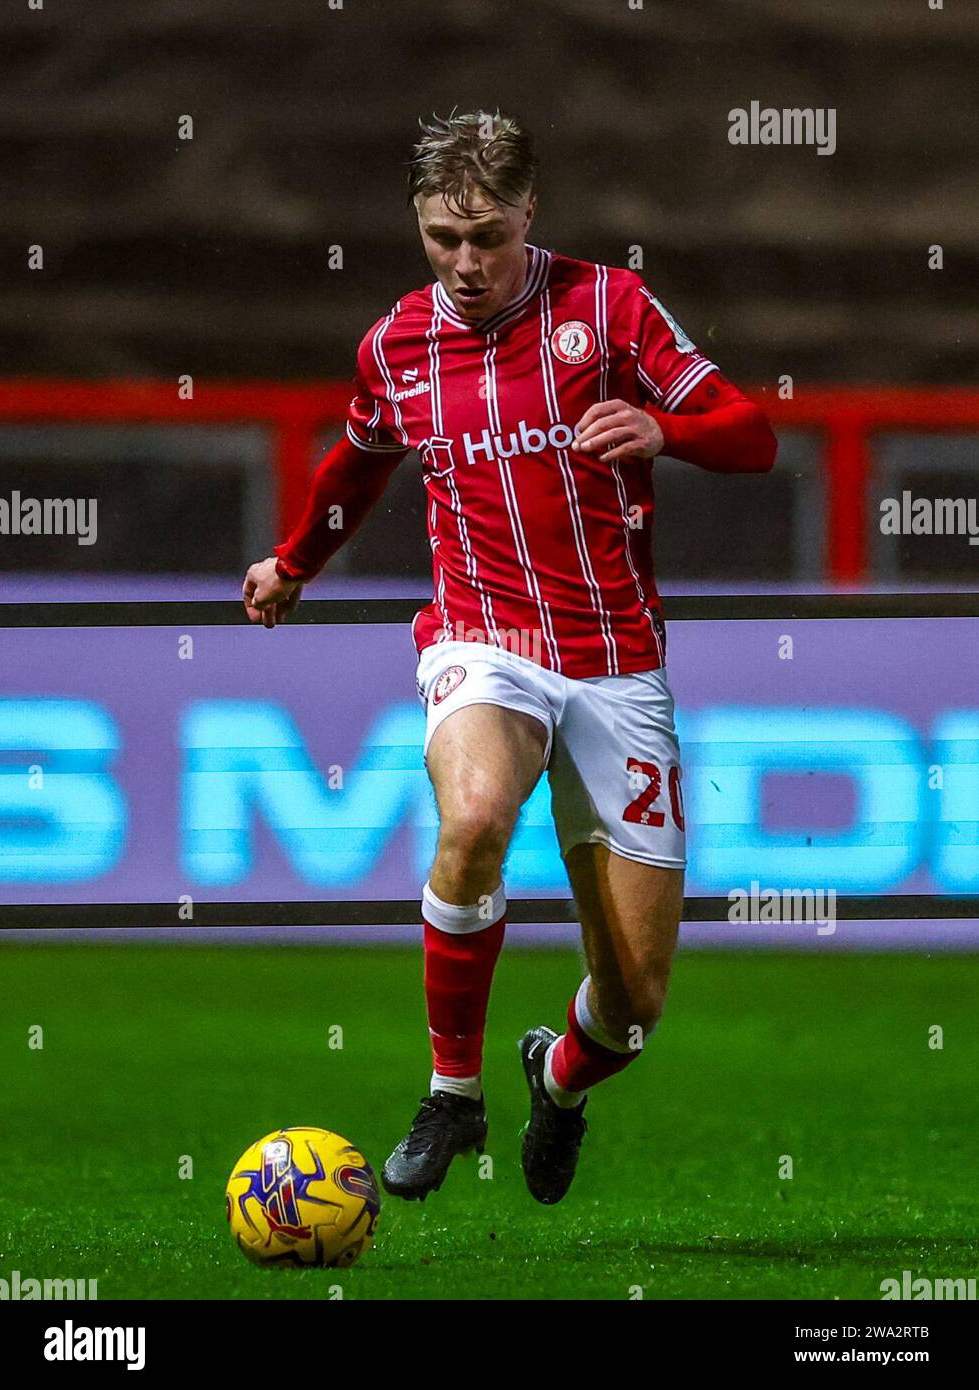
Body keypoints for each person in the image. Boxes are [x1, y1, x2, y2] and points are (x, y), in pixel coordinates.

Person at [243, 109, 777, 1205]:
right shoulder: (397, 342)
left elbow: (753, 432)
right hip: (481, 637)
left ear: (531, 210)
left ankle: (558, 1075)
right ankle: (452, 1092)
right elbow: (359, 462)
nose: (467, 261)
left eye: (487, 233)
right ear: (418, 225)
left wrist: (666, 431)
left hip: (616, 662)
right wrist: (294, 563)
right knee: (475, 814)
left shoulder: (609, 308)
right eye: (443, 236)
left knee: (631, 1009)